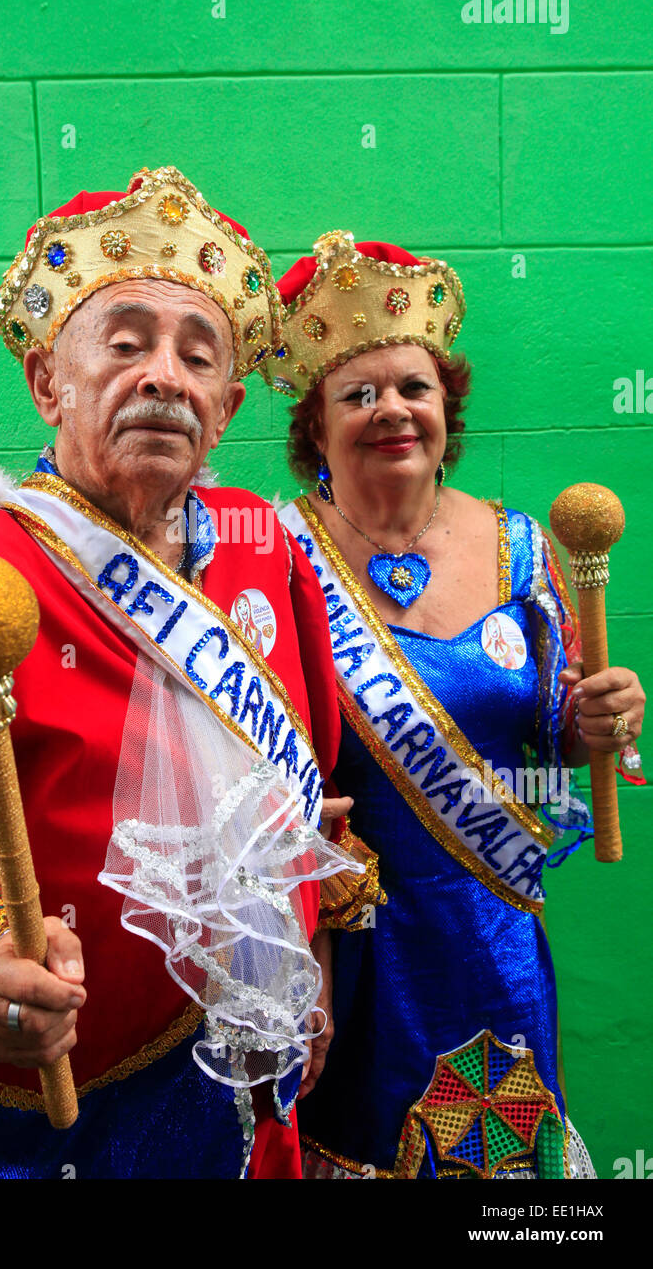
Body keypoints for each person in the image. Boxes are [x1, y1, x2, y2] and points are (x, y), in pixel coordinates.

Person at [0, 171, 380, 1180]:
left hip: (259, 1076)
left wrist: (308, 967)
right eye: (123, 344)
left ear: (227, 403)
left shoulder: (266, 553)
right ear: (45, 383)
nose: (162, 375)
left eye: (197, 356)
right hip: (68, 1103)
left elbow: (305, 801)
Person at [260, 231, 646, 1179]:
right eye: (359, 394)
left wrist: (596, 721)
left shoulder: (520, 544)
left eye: (414, 389)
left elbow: (554, 734)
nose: (391, 410)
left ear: (446, 410)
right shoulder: (271, 557)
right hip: (351, 958)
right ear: (317, 425)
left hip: (496, 939)